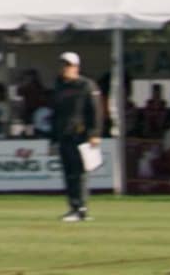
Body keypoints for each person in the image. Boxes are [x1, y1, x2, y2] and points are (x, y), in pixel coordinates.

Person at [50, 51, 101, 222]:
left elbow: (96, 111)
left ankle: (81, 208)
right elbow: (55, 114)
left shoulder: (86, 85)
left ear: (76, 67)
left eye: (68, 65)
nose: (65, 68)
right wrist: (53, 138)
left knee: (79, 173)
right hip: (64, 135)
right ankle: (73, 206)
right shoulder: (59, 87)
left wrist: (94, 133)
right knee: (68, 173)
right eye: (63, 65)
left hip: (80, 135)